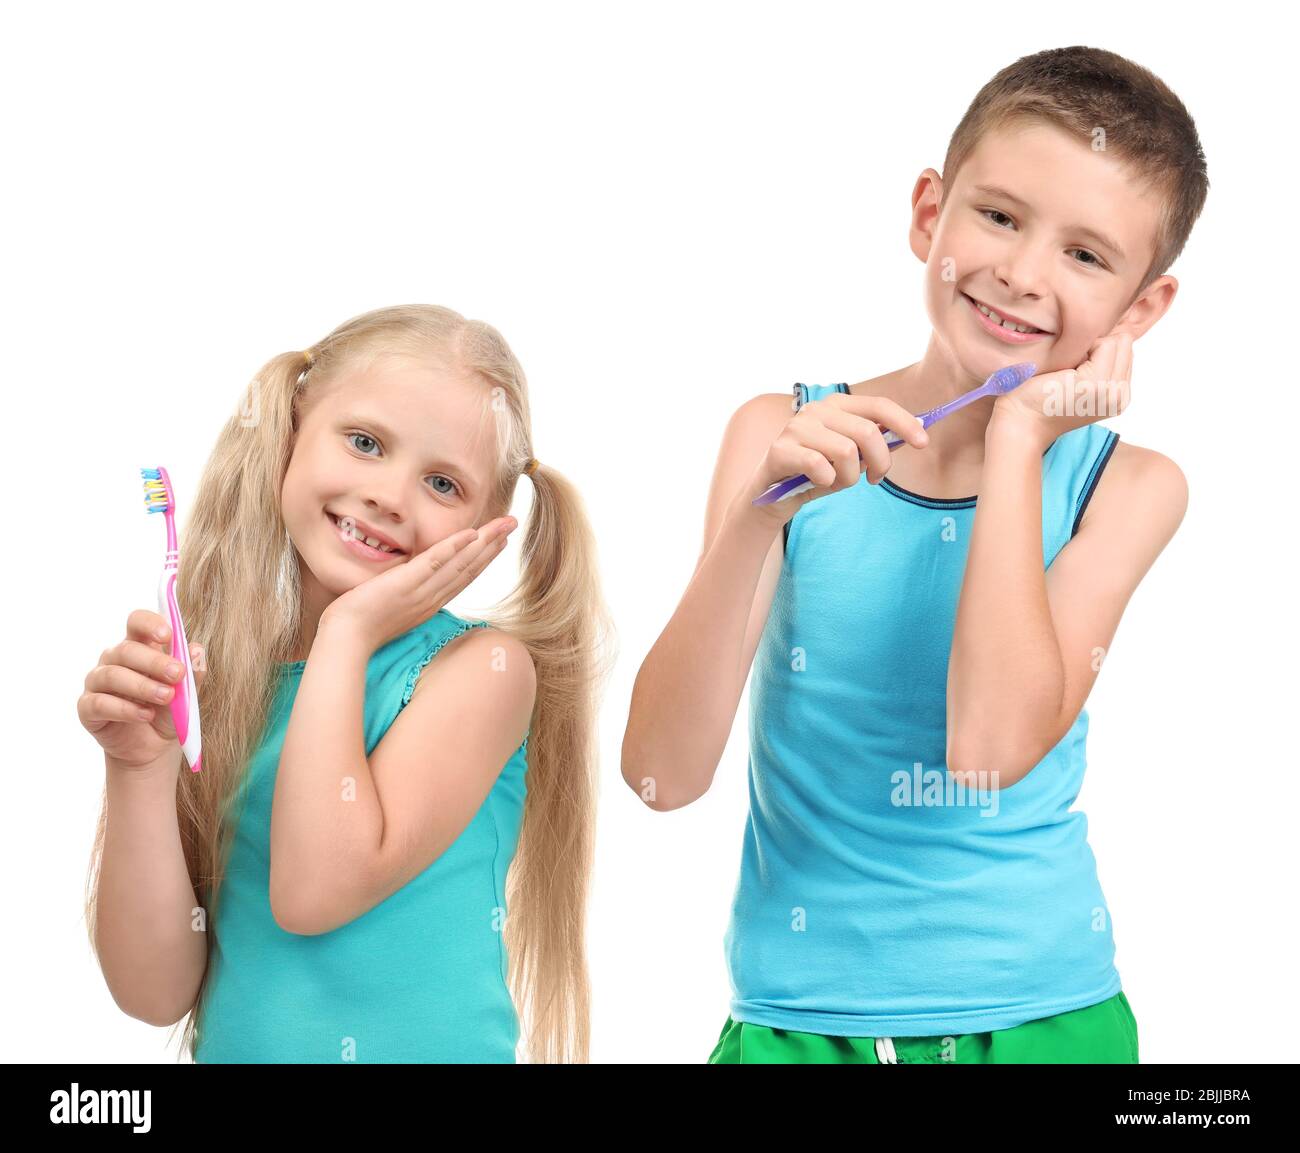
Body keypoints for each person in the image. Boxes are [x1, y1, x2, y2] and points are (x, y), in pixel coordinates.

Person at [623, 46, 1206, 1063]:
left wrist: (1018, 436)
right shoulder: (781, 430)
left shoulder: (1128, 487)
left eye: (1085, 255)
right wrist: (755, 523)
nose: (1022, 274)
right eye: (998, 215)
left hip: (1046, 1022)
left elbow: (984, 754)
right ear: (928, 213)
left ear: (1140, 310)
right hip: (796, 1026)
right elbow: (659, 778)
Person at [80, 304, 614, 1063]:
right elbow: (154, 992)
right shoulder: (226, 683)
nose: (391, 496)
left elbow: (312, 893)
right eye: (364, 443)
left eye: (442, 483)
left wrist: (347, 633)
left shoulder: (482, 673)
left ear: (490, 528)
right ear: (291, 433)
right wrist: (138, 768)